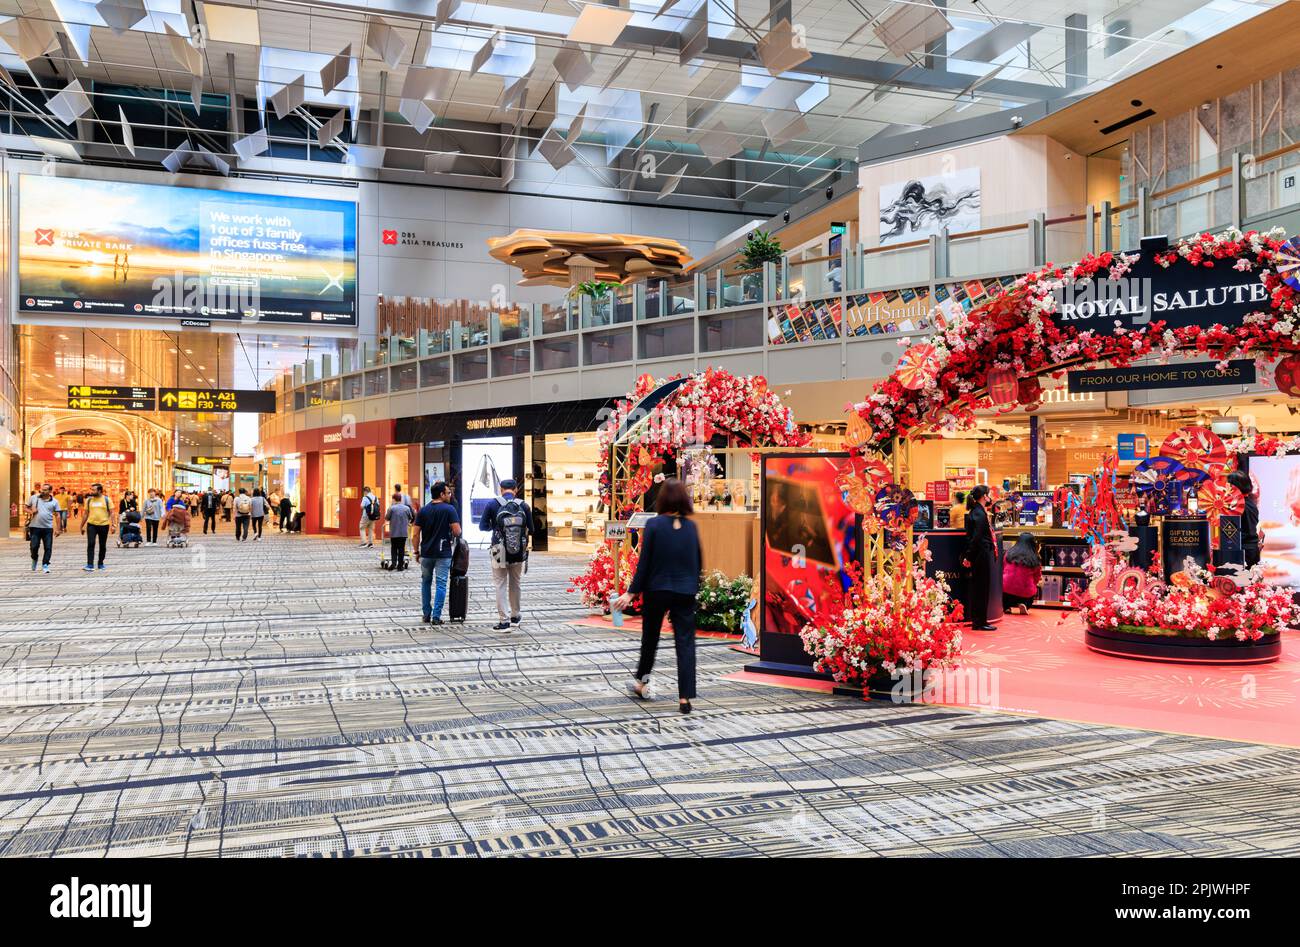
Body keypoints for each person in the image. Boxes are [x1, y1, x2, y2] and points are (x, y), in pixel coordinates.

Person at [613, 478, 701, 715]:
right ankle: (684, 698)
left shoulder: (654, 525)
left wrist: (631, 593)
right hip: (685, 591)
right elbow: (697, 562)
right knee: (685, 644)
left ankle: (642, 681)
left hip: (657, 590)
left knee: (650, 639)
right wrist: (694, 590)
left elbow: (645, 564)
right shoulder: (691, 527)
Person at [478, 477, 533, 630]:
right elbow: (532, 529)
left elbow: (482, 527)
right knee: (515, 582)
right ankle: (515, 616)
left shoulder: (492, 504)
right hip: (519, 550)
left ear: (501, 490)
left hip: (497, 549)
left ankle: (504, 621)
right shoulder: (524, 505)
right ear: (516, 490)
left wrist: (495, 528)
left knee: (500, 583)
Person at [412, 481, 461, 624]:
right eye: (448, 493)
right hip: (443, 553)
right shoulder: (449, 510)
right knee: (441, 584)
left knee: (426, 582)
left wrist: (416, 552)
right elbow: (457, 531)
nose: (450, 495)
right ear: (441, 494)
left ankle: (426, 613)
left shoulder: (423, 510)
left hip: (426, 553)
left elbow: (415, 534)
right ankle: (436, 616)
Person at [961, 484, 998, 631]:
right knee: (981, 588)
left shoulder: (978, 511)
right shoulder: (979, 513)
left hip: (980, 553)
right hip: (980, 554)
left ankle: (981, 620)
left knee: (981, 587)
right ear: (984, 496)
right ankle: (979, 621)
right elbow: (976, 538)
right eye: (988, 494)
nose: (990, 497)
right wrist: (969, 556)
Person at [1226, 469, 1261, 567]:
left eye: (1229, 485)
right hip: (1252, 549)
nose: (1227, 488)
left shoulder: (1238, 505)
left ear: (1235, 487)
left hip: (1242, 551)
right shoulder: (1251, 503)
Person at [1001, 532, 1042, 616]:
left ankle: (1006, 607)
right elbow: (1037, 576)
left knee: (1005, 592)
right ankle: (1024, 604)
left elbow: (1002, 568)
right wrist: (1033, 584)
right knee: (1030, 591)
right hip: (1025, 592)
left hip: (1006, 589)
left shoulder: (1008, 553)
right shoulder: (1035, 558)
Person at [80, 482, 115, 572]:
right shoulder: (89, 500)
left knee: (102, 545)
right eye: (91, 489)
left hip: (104, 525)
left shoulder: (107, 500)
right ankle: (90, 564)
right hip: (91, 525)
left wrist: (113, 525)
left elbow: (112, 512)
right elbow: (86, 513)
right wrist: (81, 525)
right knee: (91, 544)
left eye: (93, 490)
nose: (91, 491)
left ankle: (100, 563)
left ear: (99, 491)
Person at [26, 483, 61, 574]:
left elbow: (57, 515)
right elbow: (25, 508)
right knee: (34, 546)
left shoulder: (54, 502)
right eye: (42, 489)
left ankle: (45, 564)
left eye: (45, 490)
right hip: (34, 527)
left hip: (47, 528)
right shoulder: (34, 498)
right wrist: (31, 511)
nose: (42, 491)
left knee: (48, 547)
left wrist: (58, 529)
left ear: (50, 491)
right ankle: (34, 558)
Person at [386, 490, 413, 570]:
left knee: (394, 548)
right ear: (401, 499)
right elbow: (410, 517)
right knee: (401, 548)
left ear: (394, 499)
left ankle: (393, 564)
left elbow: (387, 518)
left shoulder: (391, 508)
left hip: (394, 532)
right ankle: (400, 566)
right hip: (403, 532)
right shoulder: (406, 508)